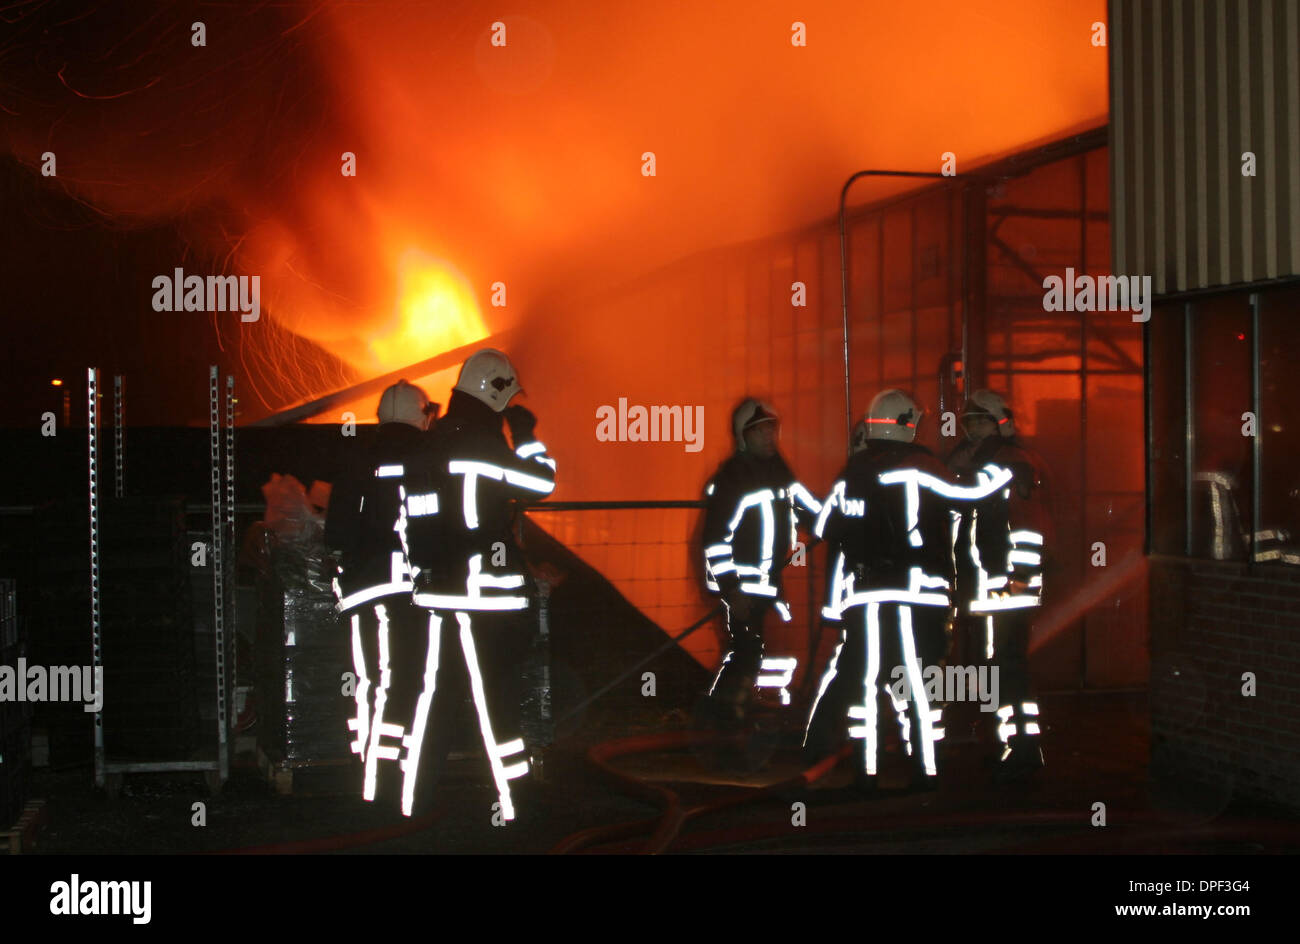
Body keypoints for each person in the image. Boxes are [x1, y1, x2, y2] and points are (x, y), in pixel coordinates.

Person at [805, 389, 1013, 788]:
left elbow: (822, 526)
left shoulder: (853, 473)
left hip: (863, 594)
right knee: (914, 679)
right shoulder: (920, 465)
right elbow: (968, 495)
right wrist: (1001, 473)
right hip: (913, 592)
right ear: (907, 423)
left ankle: (865, 774)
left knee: (865, 682)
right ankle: (924, 769)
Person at [400, 349, 556, 821]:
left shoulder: (431, 444)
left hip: (439, 594)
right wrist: (526, 434)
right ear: (494, 392)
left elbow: (415, 522)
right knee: (499, 702)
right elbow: (542, 481)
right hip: (485, 596)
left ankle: (414, 801)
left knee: (437, 695)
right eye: (506, 400)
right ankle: (517, 806)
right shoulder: (483, 448)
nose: (508, 408)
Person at [324, 379, 438, 811]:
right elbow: (428, 528)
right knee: (405, 679)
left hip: (359, 590)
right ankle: (385, 780)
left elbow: (336, 532)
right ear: (419, 414)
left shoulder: (357, 458)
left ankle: (366, 770)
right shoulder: (424, 460)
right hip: (406, 589)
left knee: (369, 680)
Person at [947, 390, 1050, 780]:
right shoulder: (984, 462)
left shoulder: (1011, 466)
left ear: (999, 423)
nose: (971, 428)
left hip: (1005, 586)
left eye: (979, 421)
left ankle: (1019, 749)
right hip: (991, 584)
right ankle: (1009, 744)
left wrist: (1019, 579)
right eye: (968, 421)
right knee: (999, 666)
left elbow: (1028, 529)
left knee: (1005, 666)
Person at [701, 398, 821, 723]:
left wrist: (844, 520)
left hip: (764, 585)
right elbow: (715, 540)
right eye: (759, 431)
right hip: (740, 586)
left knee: (749, 652)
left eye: (771, 429)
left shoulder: (779, 472)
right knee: (746, 650)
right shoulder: (732, 479)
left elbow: (812, 510)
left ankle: (728, 715)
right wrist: (731, 590)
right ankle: (725, 719)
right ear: (743, 436)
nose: (769, 436)